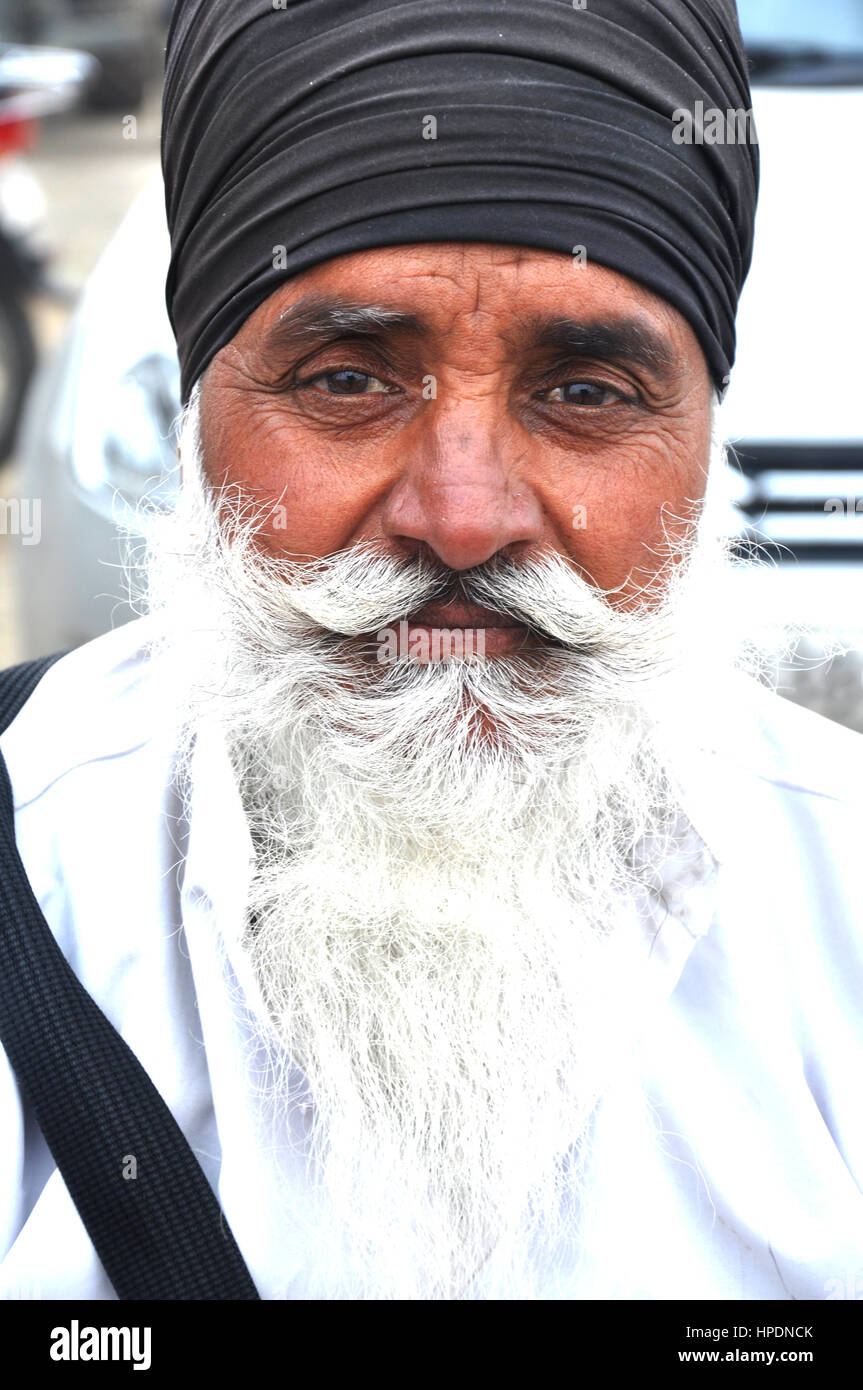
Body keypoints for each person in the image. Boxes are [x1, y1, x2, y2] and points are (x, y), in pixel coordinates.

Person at [2, 0, 862, 1302]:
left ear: (703, 445)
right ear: (197, 422)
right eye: (348, 378)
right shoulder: (44, 872)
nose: (464, 516)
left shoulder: (840, 904)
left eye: (584, 391)